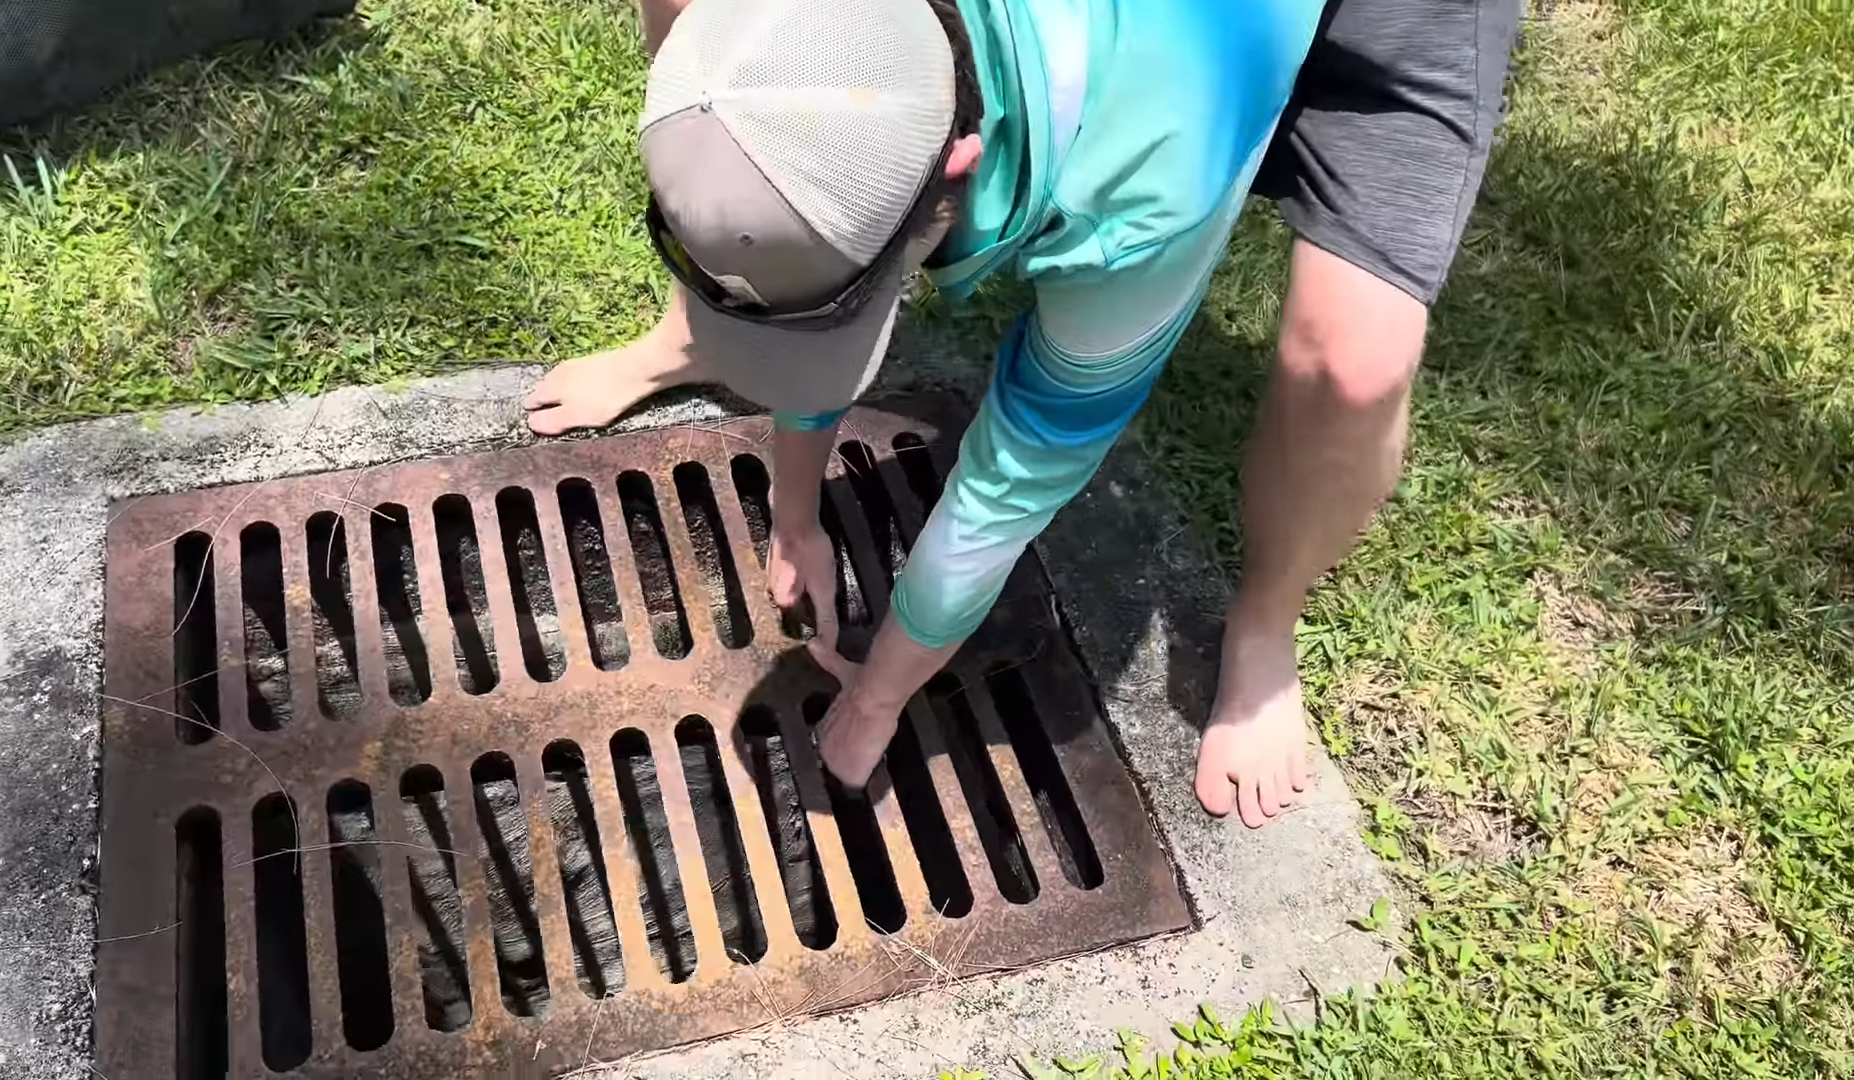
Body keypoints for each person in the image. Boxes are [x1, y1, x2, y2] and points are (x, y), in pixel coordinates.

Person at [524, 0, 1518, 828]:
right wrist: (795, 513)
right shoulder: (824, 31)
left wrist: (877, 697)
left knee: (1351, 367)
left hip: (1263, 38)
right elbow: (825, 190)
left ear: (960, 165)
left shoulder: (1144, 193)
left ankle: (1265, 625)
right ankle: (711, 328)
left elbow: (1019, 470)